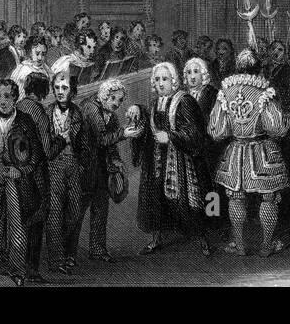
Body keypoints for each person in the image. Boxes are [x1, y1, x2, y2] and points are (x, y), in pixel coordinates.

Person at [209, 48, 290, 257]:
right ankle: (266, 245)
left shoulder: (225, 90)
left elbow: (217, 132)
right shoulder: (264, 90)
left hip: (236, 151)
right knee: (268, 198)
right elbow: (278, 128)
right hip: (263, 151)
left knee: (235, 197)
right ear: (257, 67)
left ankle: (239, 244)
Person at [134, 62, 212, 257]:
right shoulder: (154, 104)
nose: (161, 83)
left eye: (165, 79)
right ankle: (156, 238)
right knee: (156, 198)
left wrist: (170, 137)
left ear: (174, 81)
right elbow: (148, 128)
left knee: (193, 200)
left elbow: (195, 132)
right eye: (157, 79)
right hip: (158, 160)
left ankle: (204, 239)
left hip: (184, 160)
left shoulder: (184, 101)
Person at [0, 78, 49, 286]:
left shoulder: (25, 122)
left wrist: (21, 170)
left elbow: (36, 154)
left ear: (15, 98)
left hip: (17, 178)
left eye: (7, 96)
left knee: (17, 225)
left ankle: (18, 270)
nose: (2, 101)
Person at [79, 77, 140, 263]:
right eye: (113, 98)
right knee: (77, 210)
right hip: (84, 167)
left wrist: (116, 161)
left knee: (100, 209)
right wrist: (123, 133)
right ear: (104, 95)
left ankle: (97, 250)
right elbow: (102, 139)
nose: (116, 103)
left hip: (101, 168)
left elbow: (111, 146)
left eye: (120, 100)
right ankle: (64, 251)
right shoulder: (91, 108)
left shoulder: (111, 116)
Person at [46, 72, 90, 275]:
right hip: (53, 167)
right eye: (57, 88)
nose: (60, 92)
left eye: (64, 88)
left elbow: (85, 146)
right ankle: (56, 259)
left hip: (74, 166)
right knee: (54, 214)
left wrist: (81, 166)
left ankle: (68, 253)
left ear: (72, 90)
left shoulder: (78, 113)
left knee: (73, 212)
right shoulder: (47, 113)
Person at [16, 73, 53, 278]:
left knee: (17, 220)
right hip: (36, 174)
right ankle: (31, 270)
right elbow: (47, 150)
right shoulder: (39, 112)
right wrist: (62, 140)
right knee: (36, 221)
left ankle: (17, 268)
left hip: (17, 173)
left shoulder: (17, 106)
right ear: (44, 91)